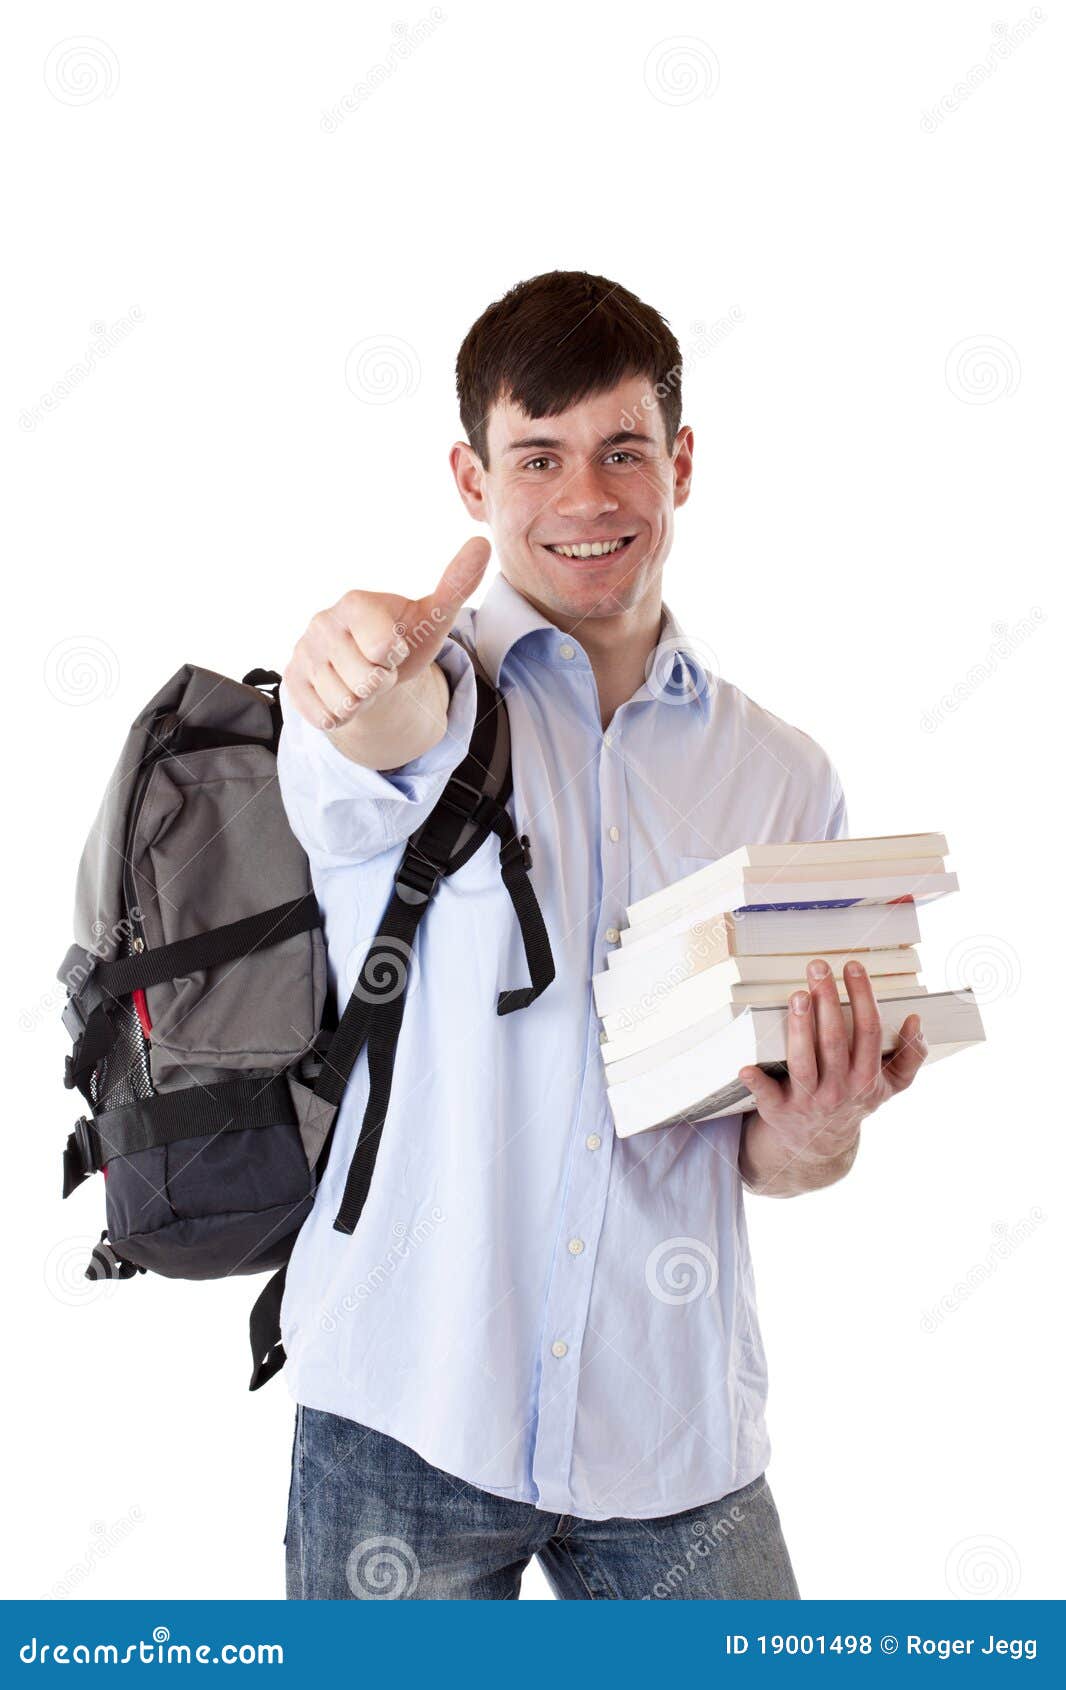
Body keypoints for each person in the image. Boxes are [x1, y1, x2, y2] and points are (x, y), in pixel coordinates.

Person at [277, 271, 927, 1601]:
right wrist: (346, 666)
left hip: (670, 1439)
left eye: (622, 450)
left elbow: (772, 1152)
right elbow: (369, 731)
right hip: (403, 1414)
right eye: (539, 456)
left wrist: (819, 1127)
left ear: (678, 463)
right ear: (471, 477)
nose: (585, 497)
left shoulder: (781, 779)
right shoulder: (424, 694)